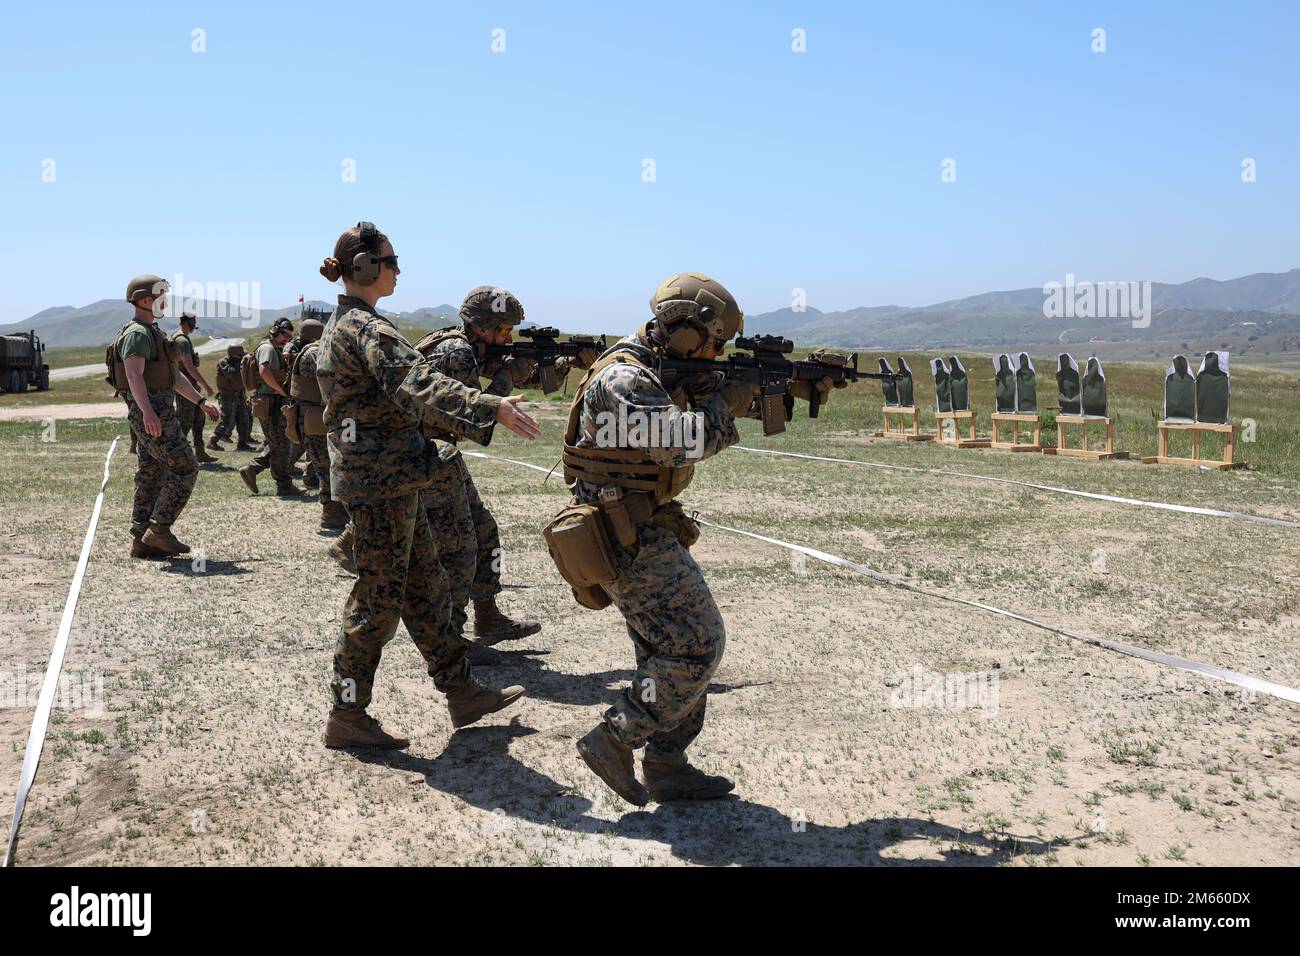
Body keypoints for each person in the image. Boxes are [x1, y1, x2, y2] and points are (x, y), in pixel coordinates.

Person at [564, 272, 836, 805]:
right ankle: (612, 738)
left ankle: (667, 764)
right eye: (712, 342)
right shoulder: (625, 380)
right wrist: (732, 397)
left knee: (662, 648)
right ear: (681, 331)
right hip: (625, 533)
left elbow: (704, 403)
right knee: (696, 645)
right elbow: (682, 442)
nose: (715, 353)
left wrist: (785, 388)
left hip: (638, 525)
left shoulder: (657, 369)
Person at [314, 221, 540, 749]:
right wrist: (491, 407)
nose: (397, 270)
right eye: (391, 262)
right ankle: (346, 715)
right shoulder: (367, 330)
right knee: (376, 602)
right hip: (381, 483)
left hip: (391, 477)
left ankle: (461, 691)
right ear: (366, 267)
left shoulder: (352, 324)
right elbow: (418, 385)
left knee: (425, 591)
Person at [415, 286, 597, 645]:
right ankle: (449, 640)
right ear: (482, 327)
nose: (508, 337)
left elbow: (521, 375)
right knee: (459, 547)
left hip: (437, 454)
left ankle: (488, 617)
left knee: (484, 531)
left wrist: (563, 362)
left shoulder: (465, 345)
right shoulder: (457, 352)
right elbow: (469, 419)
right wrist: (507, 378)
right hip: (424, 456)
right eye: (503, 330)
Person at [109, 275, 219, 558]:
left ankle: (141, 540)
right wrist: (147, 412)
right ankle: (159, 530)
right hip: (153, 413)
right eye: (160, 297)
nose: (165, 302)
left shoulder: (151, 331)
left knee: (151, 472)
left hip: (156, 410)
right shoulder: (138, 334)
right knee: (185, 467)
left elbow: (172, 377)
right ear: (146, 300)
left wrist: (200, 402)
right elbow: (133, 375)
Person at [285, 318, 346, 530]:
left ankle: (336, 511)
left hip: (317, 417)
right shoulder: (313, 353)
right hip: (317, 419)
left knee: (329, 465)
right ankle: (330, 514)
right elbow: (330, 380)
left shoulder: (309, 351)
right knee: (326, 466)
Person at [239, 317, 300, 496]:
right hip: (270, 402)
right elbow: (264, 370)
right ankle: (283, 484)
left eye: (289, 337)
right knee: (281, 444)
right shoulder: (267, 348)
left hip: (271, 401)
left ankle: (252, 470)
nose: (286, 339)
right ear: (275, 331)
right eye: (283, 335)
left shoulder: (272, 348)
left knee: (278, 443)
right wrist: (280, 390)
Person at [169, 312, 217, 463]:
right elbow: (189, 367)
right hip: (186, 388)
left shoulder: (182, 338)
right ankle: (173, 457)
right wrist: (206, 385)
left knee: (198, 419)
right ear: (186, 322)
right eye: (193, 321)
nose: (195, 324)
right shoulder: (182, 340)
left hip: (190, 387)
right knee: (184, 422)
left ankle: (200, 452)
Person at [208, 344, 256, 450]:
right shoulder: (223, 362)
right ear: (234, 355)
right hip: (227, 396)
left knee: (244, 419)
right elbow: (230, 374)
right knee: (227, 421)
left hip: (239, 395)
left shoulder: (238, 363)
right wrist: (241, 364)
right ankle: (213, 441)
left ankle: (242, 443)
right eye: (240, 356)